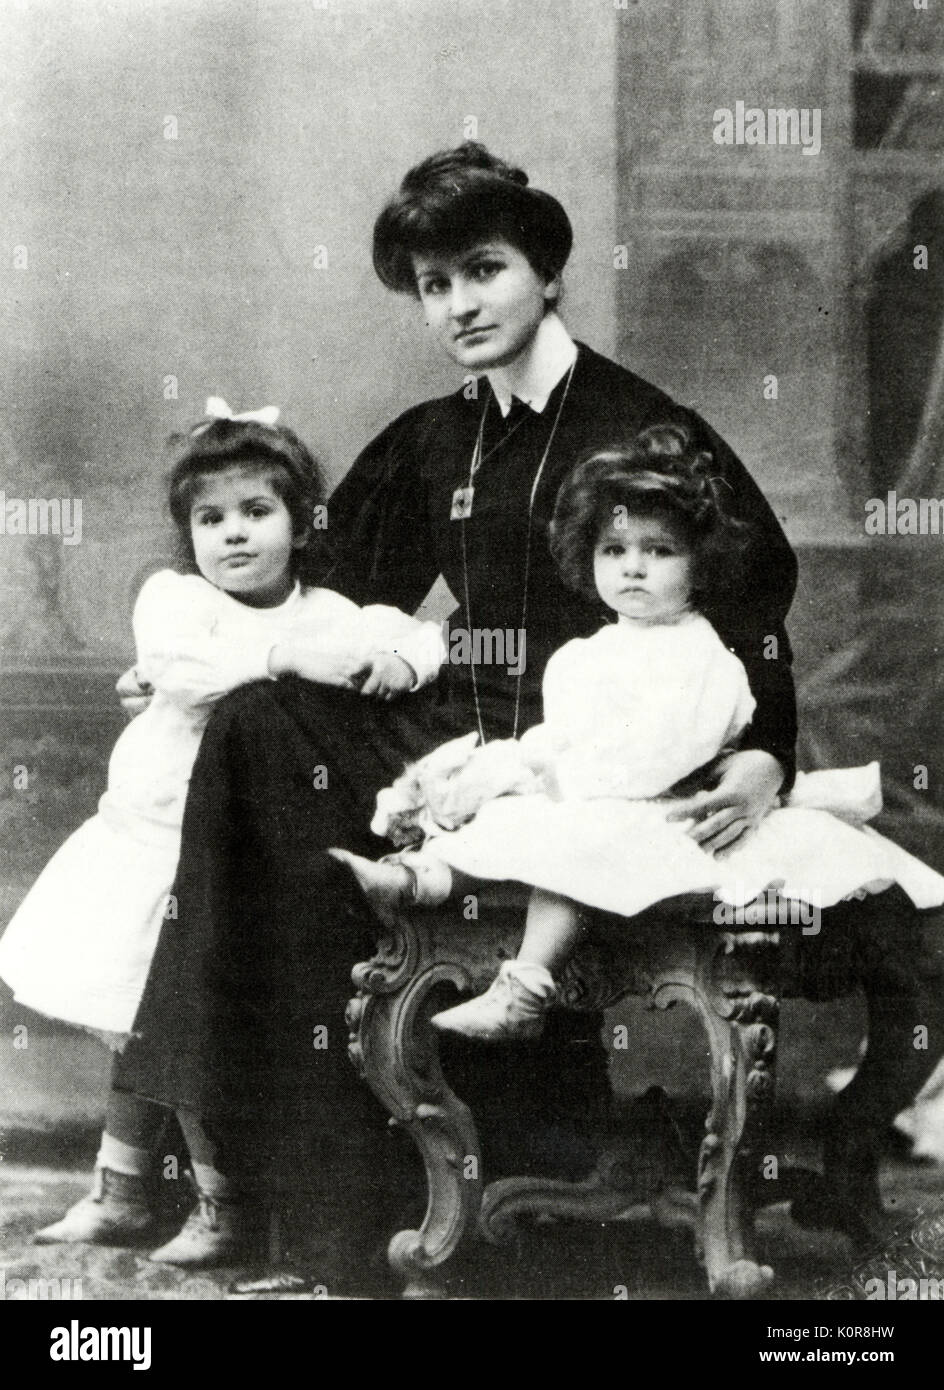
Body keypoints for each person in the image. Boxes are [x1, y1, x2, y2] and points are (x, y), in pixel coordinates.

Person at [80, 143, 943, 1275]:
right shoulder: (442, 434)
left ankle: (351, 1209)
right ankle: (276, 1185)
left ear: (546, 270)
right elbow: (330, 586)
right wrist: (202, 653)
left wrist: (768, 753)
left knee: (269, 733)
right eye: (434, 286)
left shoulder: (639, 424)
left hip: (590, 743)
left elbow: (753, 605)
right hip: (456, 717)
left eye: (480, 270)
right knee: (255, 721)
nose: (457, 305)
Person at [4, 399, 444, 1257]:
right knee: (139, 1019)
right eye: (211, 519)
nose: (233, 536)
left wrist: (397, 661)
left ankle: (226, 1205)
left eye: (256, 512)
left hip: (226, 861)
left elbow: (412, 634)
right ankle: (123, 1188)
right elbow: (174, 662)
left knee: (187, 1017)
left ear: (302, 524)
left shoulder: (327, 610)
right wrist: (280, 658)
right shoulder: (179, 602)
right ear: (188, 534)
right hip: (145, 844)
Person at [335, 428, 944, 1042]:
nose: (632, 566)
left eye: (658, 551)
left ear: (700, 562)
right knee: (501, 814)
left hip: (664, 804)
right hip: (594, 792)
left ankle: (524, 991)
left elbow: (664, 754)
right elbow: (563, 736)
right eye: (613, 549)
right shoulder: (584, 654)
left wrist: (563, 781)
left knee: (582, 843)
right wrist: (510, 768)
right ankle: (417, 880)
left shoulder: (706, 658)